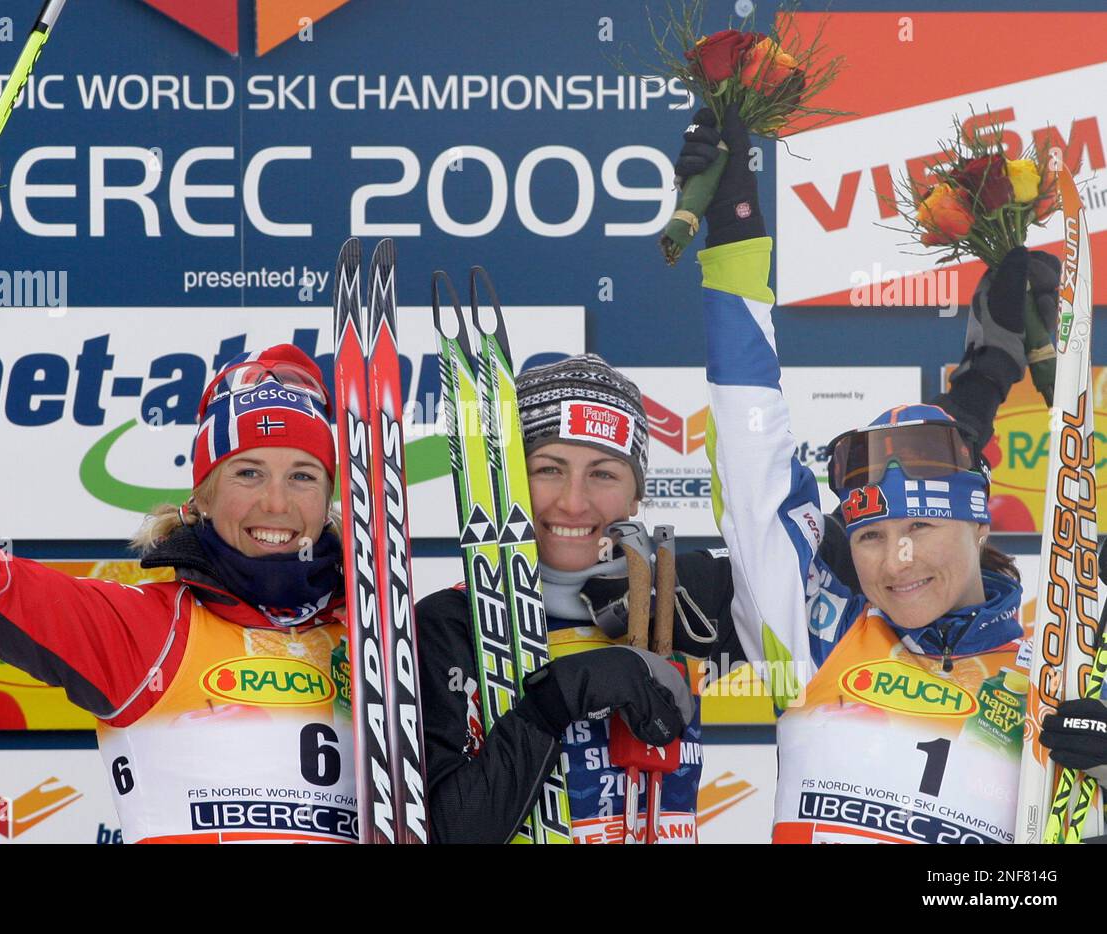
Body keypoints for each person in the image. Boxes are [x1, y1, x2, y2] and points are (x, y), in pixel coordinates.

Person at [0, 260, 353, 844]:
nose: (276, 504)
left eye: (304, 476)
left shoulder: (382, 645)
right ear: (203, 495)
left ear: (333, 497)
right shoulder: (144, 633)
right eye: (249, 472)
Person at [675, 105, 1072, 843]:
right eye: (869, 537)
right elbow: (750, 454)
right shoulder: (815, 629)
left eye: (922, 525)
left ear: (980, 520)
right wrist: (732, 233)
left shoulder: (1056, 670)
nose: (897, 561)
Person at [417, 354, 743, 844]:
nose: (573, 501)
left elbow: (833, 578)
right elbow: (448, 833)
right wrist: (555, 701)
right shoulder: (452, 624)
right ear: (509, 482)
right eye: (548, 469)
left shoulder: (686, 599)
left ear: (638, 495)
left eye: (604, 473)